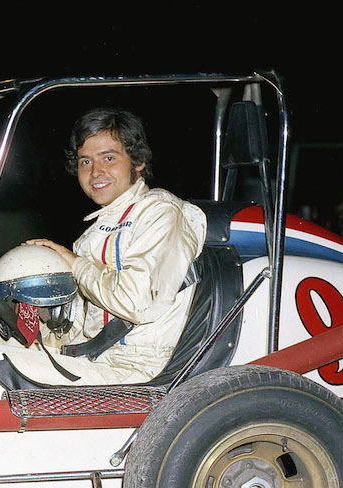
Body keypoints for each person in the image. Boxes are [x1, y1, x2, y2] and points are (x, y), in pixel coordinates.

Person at [11, 106, 207, 384]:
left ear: (137, 162)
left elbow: (134, 303)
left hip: (135, 368)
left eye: (109, 158)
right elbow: (81, 330)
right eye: (86, 162)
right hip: (97, 359)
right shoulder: (94, 234)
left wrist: (74, 263)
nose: (96, 172)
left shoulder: (160, 213)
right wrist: (38, 322)